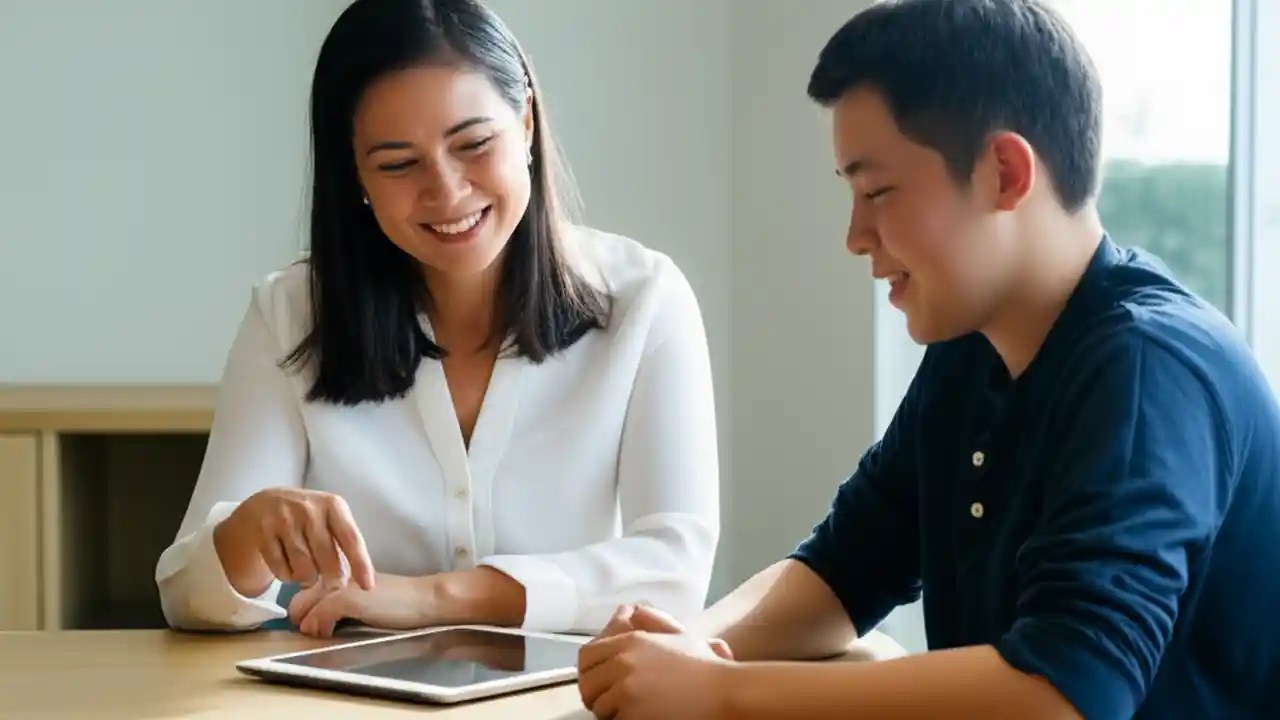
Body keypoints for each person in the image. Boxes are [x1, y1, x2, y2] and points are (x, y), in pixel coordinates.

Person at [576, 1, 1280, 718]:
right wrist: (686, 645)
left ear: (1005, 172)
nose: (855, 236)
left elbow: (1066, 696)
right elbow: (842, 572)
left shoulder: (1147, 369)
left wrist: (720, 692)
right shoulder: (971, 348)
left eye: (877, 191)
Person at [155, 0, 719, 638]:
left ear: (526, 122)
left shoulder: (643, 300)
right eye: (399, 163)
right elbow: (185, 593)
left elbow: (676, 572)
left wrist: (433, 598)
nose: (447, 191)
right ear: (356, 174)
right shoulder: (291, 316)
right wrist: (248, 531)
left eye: (475, 144)